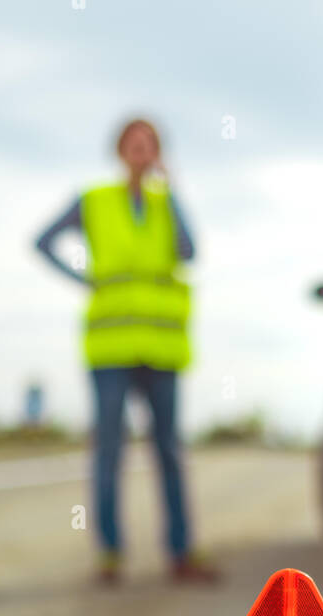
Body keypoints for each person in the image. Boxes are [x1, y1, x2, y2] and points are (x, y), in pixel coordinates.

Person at [35, 117, 217, 582]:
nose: (142, 151)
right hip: (111, 346)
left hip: (161, 347)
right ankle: (110, 552)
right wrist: (82, 279)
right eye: (134, 144)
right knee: (109, 450)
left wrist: (171, 189)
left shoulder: (164, 203)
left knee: (169, 451)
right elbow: (43, 242)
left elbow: (189, 251)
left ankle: (180, 551)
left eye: (150, 145)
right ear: (120, 150)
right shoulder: (94, 201)